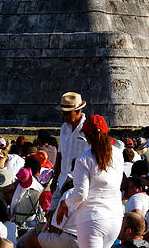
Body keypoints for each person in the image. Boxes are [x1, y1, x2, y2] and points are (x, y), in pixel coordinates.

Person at [55, 114, 124, 248]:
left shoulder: (84, 159)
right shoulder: (118, 154)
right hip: (115, 218)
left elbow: (81, 195)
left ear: (86, 136)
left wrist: (64, 204)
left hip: (92, 218)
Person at [50, 93, 87, 211]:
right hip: (62, 179)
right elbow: (60, 154)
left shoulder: (87, 129)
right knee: (52, 211)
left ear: (78, 111)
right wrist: (55, 178)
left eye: (67, 113)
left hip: (78, 183)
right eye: (63, 113)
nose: (64, 116)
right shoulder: (64, 128)